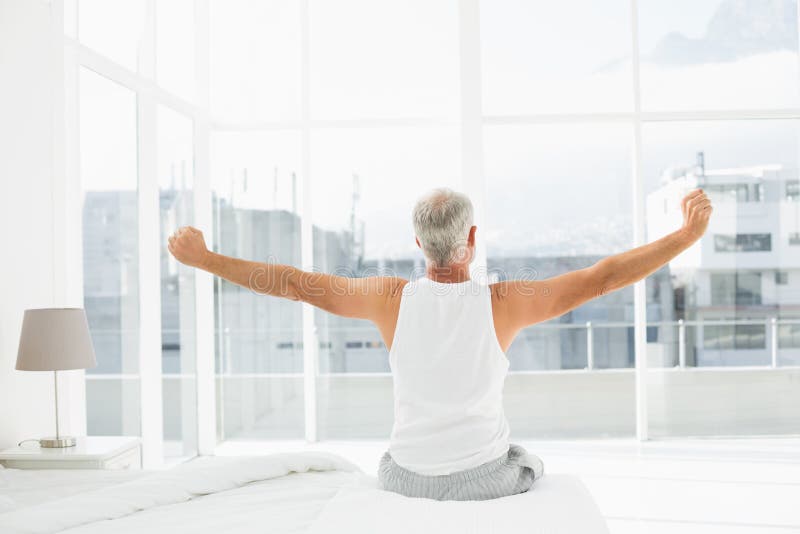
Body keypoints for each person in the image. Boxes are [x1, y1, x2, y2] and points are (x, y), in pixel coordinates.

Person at [168, 187, 712, 501]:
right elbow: (603, 277)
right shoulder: (505, 302)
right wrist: (685, 237)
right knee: (527, 462)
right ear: (471, 240)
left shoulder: (388, 298)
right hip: (484, 480)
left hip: (404, 476)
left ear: (418, 244)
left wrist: (205, 258)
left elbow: (291, 283)